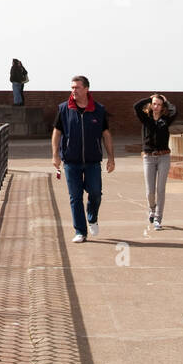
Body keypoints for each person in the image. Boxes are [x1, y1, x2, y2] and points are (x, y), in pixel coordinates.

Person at [51, 75, 114, 242]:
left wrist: (111, 158)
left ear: (86, 89)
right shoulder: (64, 109)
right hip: (71, 161)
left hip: (93, 161)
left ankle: (92, 217)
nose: (74, 91)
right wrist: (55, 155)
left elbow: (106, 134)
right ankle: (80, 231)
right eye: (72, 88)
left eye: (77, 88)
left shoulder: (98, 110)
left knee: (95, 193)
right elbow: (57, 133)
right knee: (75, 196)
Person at [134, 93, 177, 229]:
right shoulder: (145, 118)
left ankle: (158, 218)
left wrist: (165, 100)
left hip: (164, 156)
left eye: (159, 104)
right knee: (150, 191)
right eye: (154, 104)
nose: (156, 106)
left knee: (161, 189)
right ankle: (152, 209)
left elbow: (175, 110)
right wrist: (150, 98)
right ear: (151, 105)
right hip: (148, 157)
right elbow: (136, 106)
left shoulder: (166, 119)